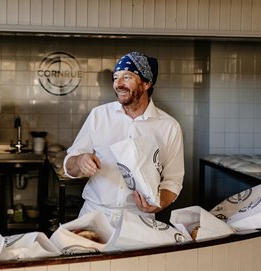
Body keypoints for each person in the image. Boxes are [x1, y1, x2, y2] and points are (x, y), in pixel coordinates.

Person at [63, 51, 184, 226]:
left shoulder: (169, 127)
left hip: (139, 220)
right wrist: (80, 161)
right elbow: (69, 165)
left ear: (146, 83)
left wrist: (158, 205)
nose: (118, 84)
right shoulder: (99, 115)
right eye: (115, 77)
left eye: (126, 77)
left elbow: (173, 180)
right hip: (95, 215)